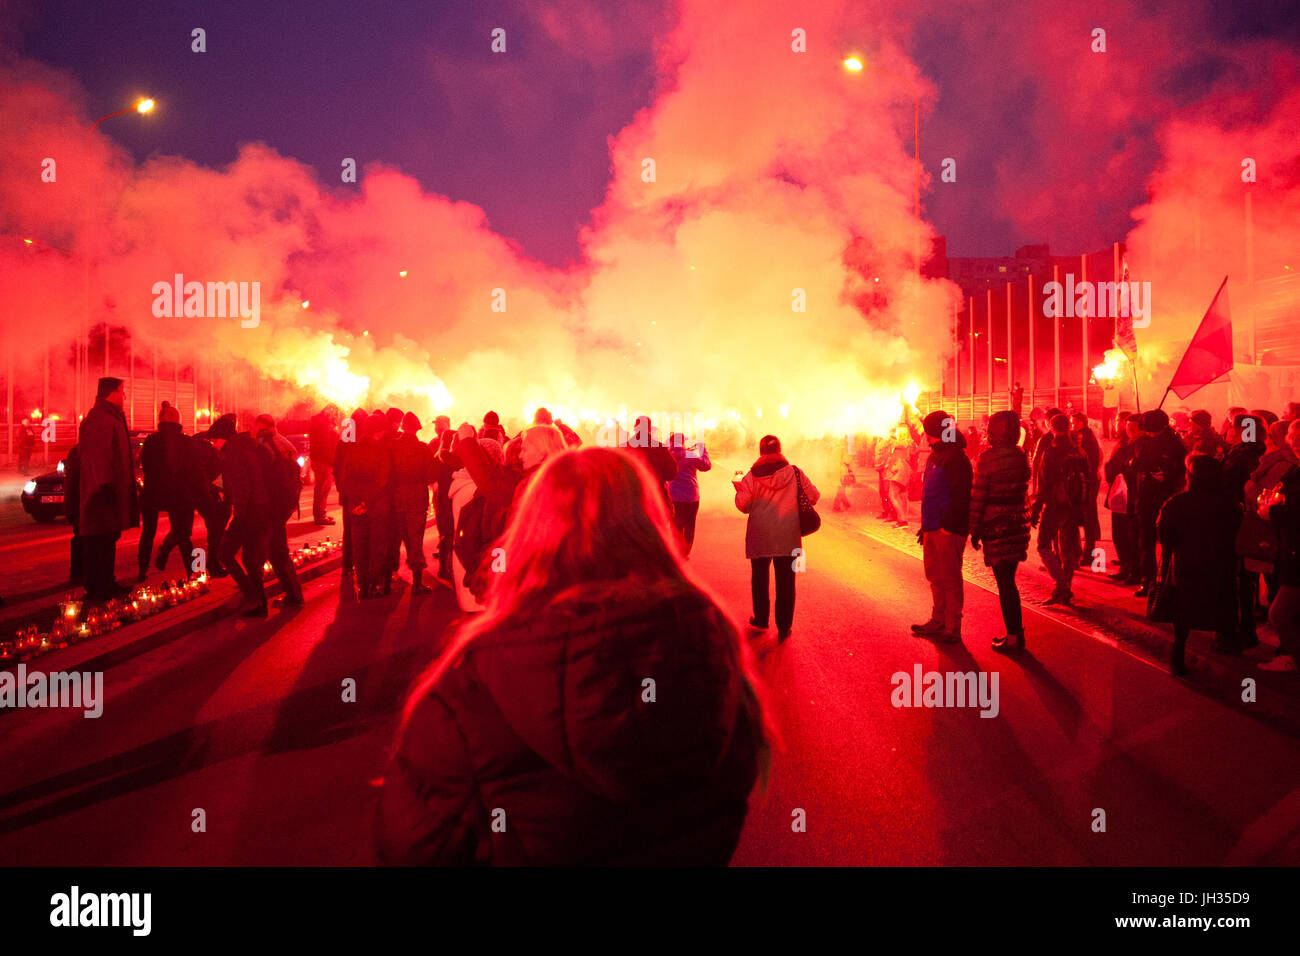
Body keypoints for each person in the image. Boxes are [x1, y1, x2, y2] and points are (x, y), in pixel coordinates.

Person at [374, 447, 767, 865]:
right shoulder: (713, 646)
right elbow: (729, 796)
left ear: (529, 528)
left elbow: (413, 845)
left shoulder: (472, 680)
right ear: (654, 525)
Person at [1156, 456, 1241, 675]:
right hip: (1220, 560)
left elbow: (1164, 532)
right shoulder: (1229, 503)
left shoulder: (1178, 502)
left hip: (1187, 561)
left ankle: (1179, 652)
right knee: (1221, 599)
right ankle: (1227, 642)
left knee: (1184, 608)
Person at [734, 434, 819, 644]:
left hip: (760, 535)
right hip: (787, 536)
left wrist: (738, 491)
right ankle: (784, 627)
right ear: (779, 450)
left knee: (759, 579)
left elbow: (742, 505)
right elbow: (814, 496)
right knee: (786, 582)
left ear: (761, 452)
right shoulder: (795, 473)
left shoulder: (751, 477)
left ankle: (761, 620)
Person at [969, 410, 1031, 652]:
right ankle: (1016, 634)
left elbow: (978, 497)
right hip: (1018, 525)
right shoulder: (1021, 455)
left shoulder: (987, 460)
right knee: (1009, 582)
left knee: (1005, 584)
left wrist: (973, 529)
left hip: (996, 526)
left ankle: (1015, 637)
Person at [910, 411, 972, 642]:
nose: (925, 436)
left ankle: (952, 626)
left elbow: (960, 496)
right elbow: (932, 494)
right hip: (932, 527)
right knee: (935, 575)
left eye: (928, 431)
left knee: (950, 577)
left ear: (935, 432)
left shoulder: (955, 457)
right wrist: (925, 527)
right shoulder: (937, 455)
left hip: (947, 529)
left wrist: (948, 526)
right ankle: (938, 620)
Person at [77, 377, 139, 602]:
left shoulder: (110, 418)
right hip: (100, 495)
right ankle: (97, 589)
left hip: (107, 492)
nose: (124, 397)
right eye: (122, 392)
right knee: (98, 543)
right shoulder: (100, 420)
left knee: (107, 539)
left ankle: (107, 583)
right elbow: (98, 458)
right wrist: (105, 487)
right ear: (112, 393)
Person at [207, 416, 273, 617]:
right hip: (260, 510)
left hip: (250, 513)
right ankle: (258, 603)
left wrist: (239, 517)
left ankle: (252, 596)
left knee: (225, 554)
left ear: (223, 439)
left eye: (215, 441)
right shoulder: (244, 448)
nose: (214, 445)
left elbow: (243, 487)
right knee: (251, 561)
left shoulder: (233, 454)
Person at [138, 402, 206, 580]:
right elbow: (196, 471)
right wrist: (204, 494)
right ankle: (192, 572)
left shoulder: (151, 441)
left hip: (153, 492)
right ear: (178, 422)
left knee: (148, 534)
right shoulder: (186, 442)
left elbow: (145, 466)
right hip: (179, 494)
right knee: (183, 537)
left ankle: (142, 570)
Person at [1031, 413, 1087, 607]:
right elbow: (1088, 479)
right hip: (1075, 506)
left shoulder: (1051, 452)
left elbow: (1044, 487)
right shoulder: (1079, 452)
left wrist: (1036, 510)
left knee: (1043, 544)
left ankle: (1061, 585)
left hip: (1056, 506)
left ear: (1051, 428)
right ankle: (1066, 585)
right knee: (1069, 549)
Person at [1223, 413, 1267, 650]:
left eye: (1231, 427)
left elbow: (1230, 483)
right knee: (1250, 576)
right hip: (1246, 520)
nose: (1227, 431)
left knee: (1244, 576)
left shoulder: (1244, 455)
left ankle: (1246, 630)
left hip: (1242, 522)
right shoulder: (1254, 452)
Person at [1134, 409, 1187, 598]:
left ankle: (1166, 582)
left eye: (1153, 430)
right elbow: (1135, 463)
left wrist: (1168, 475)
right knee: (1145, 540)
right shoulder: (1141, 441)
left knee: (1168, 542)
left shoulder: (1174, 443)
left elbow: (1182, 467)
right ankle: (1147, 581)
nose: (1150, 433)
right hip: (1145, 496)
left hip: (1167, 497)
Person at [254, 414, 305, 608]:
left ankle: (293, 596)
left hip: (272, 505)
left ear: (262, 427)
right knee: (278, 550)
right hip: (284, 504)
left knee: (277, 552)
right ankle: (294, 593)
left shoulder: (266, 446)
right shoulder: (285, 444)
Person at [1261, 420, 1300, 671]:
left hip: (1297, 551)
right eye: (1293, 436)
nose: (1295, 441)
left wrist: (1272, 513)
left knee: (1280, 613)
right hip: (1289, 547)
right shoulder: (1295, 468)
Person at [343, 413, 394, 599]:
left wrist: (356, 502)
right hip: (377, 507)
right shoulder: (382, 451)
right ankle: (373, 584)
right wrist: (367, 501)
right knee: (376, 546)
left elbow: (345, 478)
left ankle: (362, 585)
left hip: (356, 507)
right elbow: (381, 480)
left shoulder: (353, 449)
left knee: (359, 546)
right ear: (379, 431)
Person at [391, 411, 435, 594]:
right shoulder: (423, 449)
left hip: (397, 499)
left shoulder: (392, 447)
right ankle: (417, 583)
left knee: (394, 538)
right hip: (417, 499)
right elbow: (432, 474)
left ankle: (389, 578)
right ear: (417, 429)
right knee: (415, 540)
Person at [1104, 415, 1143, 585]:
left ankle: (1135, 572)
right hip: (1118, 492)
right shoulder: (1123, 443)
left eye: (1134, 427)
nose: (1130, 430)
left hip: (1132, 495)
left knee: (1131, 536)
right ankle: (1125, 568)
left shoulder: (1142, 447)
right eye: (1128, 427)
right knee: (1118, 534)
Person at [334, 407, 366, 579]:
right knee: (362, 530)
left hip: (348, 493)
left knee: (349, 530)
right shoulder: (361, 443)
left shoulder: (344, 442)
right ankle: (359, 566)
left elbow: (337, 469)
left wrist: (341, 488)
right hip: (361, 493)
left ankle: (347, 566)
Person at [667, 433, 712, 555]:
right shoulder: (691, 455)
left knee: (675, 526)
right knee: (689, 527)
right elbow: (706, 466)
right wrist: (703, 450)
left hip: (673, 496)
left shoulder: (667, 455)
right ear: (683, 442)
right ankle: (685, 553)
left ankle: (675, 551)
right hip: (690, 497)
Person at [1071, 412, 1102, 566]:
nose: (1073, 425)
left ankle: (1089, 553)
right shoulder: (1085, 437)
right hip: (1086, 483)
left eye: (1075, 422)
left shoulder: (1085, 439)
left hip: (1086, 484)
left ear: (1081, 422)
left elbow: (1093, 461)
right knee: (1085, 519)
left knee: (1087, 519)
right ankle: (1085, 552)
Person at [430, 415, 455, 585]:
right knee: (450, 532)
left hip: (442, 498)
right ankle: (447, 566)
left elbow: (431, 476)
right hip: (450, 498)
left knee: (445, 531)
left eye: (440, 425)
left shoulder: (438, 456)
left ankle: (445, 566)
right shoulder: (454, 458)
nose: (437, 427)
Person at [308, 404, 340, 525]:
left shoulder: (322, 421)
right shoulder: (323, 423)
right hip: (323, 460)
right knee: (322, 488)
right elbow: (326, 444)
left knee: (323, 488)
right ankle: (320, 515)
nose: (336, 415)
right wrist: (332, 460)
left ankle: (322, 513)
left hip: (321, 459)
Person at [884, 425, 913, 527]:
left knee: (893, 494)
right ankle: (903, 518)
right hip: (905, 469)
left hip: (899, 469)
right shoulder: (909, 442)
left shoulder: (899, 443)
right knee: (903, 495)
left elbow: (895, 454)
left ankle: (902, 519)